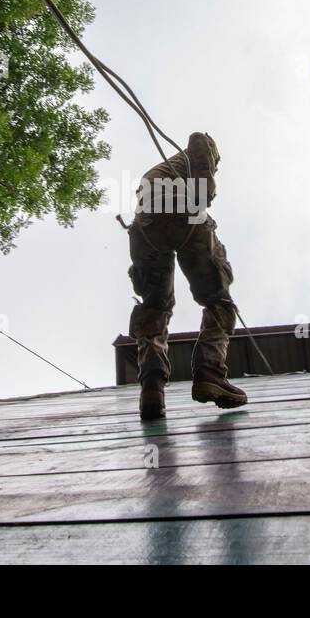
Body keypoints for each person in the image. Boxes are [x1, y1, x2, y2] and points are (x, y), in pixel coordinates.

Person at [126, 132, 248, 420]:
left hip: (146, 226)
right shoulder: (198, 153)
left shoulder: (163, 171)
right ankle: (210, 373)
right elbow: (198, 145)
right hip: (186, 217)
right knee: (218, 300)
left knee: (154, 305)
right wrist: (206, 186)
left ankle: (152, 388)